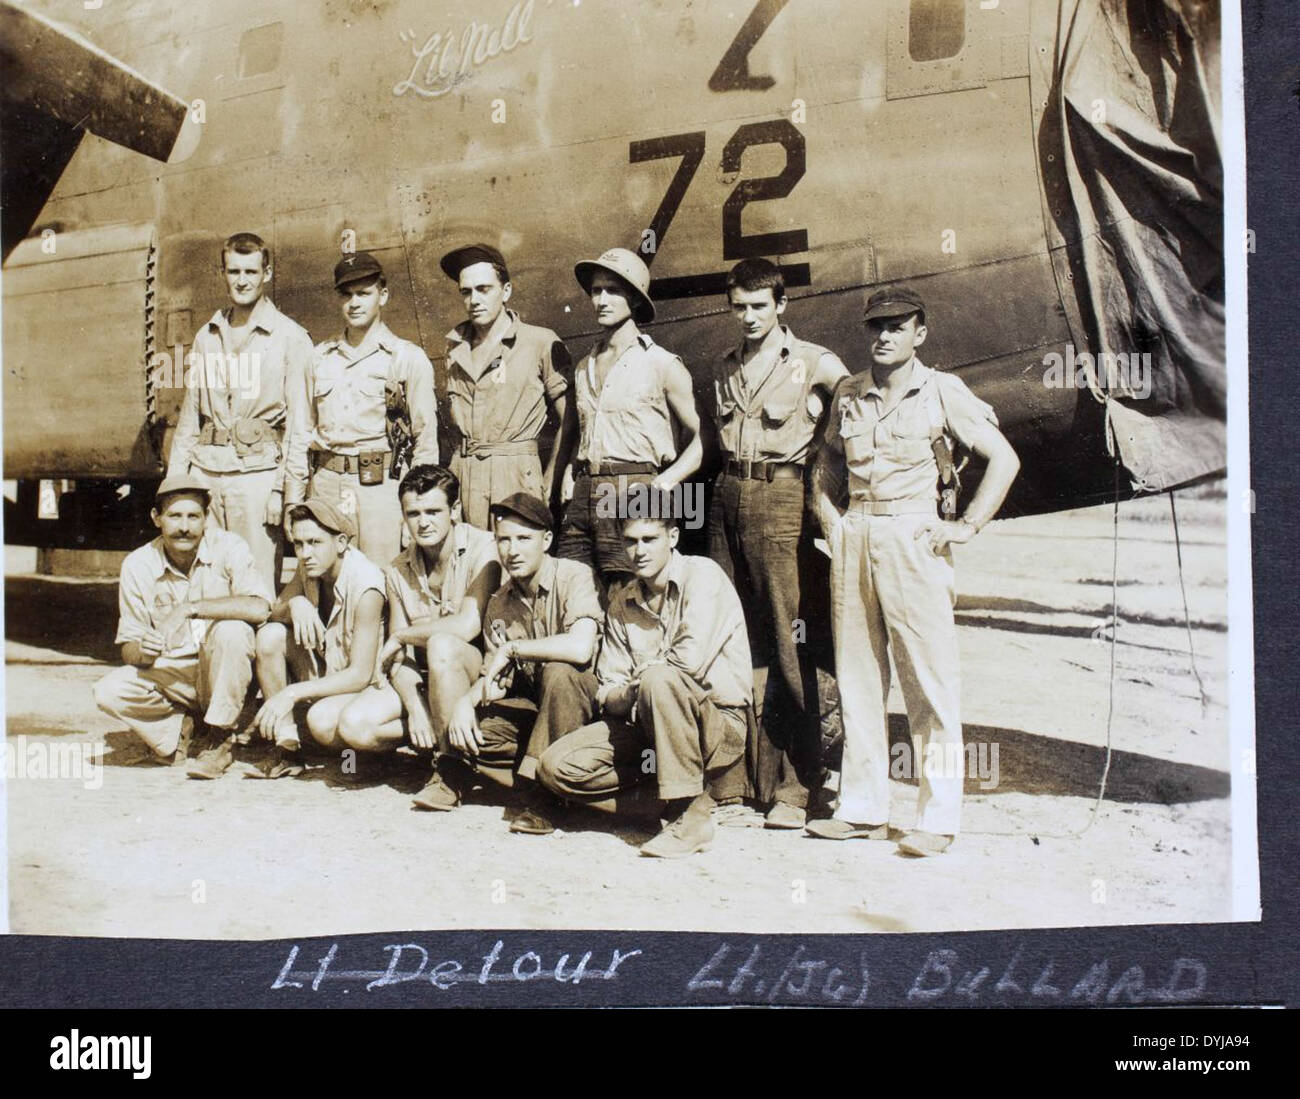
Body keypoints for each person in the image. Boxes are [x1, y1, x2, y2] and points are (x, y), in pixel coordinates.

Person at [808, 287, 1020, 856]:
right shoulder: (850, 393)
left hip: (913, 537)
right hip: (857, 534)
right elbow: (825, 461)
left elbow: (1004, 458)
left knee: (930, 684)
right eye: (876, 326)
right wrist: (830, 518)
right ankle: (862, 810)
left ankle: (939, 819)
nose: (885, 335)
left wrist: (967, 526)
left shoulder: (943, 391)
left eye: (898, 327)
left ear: (919, 333)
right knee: (857, 679)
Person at [702, 258, 849, 830]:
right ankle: (736, 781)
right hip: (727, 497)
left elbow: (853, 413)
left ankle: (799, 787)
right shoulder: (724, 365)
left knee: (790, 645)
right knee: (734, 639)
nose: (748, 317)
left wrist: (824, 487)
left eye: (759, 306)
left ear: (781, 306)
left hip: (782, 498)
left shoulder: (815, 363)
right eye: (738, 306)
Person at [537, 497, 752, 858]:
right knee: (555, 767)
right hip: (645, 727)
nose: (638, 551)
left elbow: (687, 664)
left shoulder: (704, 576)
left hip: (715, 725)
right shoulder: (623, 602)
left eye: (649, 539)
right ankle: (672, 802)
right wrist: (629, 692)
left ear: (673, 536)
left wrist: (642, 682)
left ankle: (689, 816)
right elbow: (608, 691)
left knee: (660, 679)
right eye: (630, 541)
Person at [442, 492, 602, 834]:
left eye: (523, 539)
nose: (512, 551)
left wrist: (516, 648)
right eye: (503, 540)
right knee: (472, 735)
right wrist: (464, 703)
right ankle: (547, 768)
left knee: (560, 673)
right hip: (539, 715)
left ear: (547, 540)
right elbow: (495, 680)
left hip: (587, 709)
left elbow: (581, 649)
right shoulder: (500, 601)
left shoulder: (574, 575)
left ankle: (546, 798)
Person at [92, 475, 272, 776]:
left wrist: (190, 609)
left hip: (227, 670)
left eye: (193, 516)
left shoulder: (230, 547)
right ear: (156, 518)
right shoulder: (138, 564)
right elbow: (129, 647)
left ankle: (220, 739)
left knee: (232, 630)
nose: (184, 526)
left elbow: (260, 607)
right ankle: (179, 731)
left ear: (206, 520)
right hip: (177, 675)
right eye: (175, 516)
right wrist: (143, 651)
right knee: (109, 690)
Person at [167, 232, 313, 589]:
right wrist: (175, 485)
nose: (242, 280)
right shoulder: (207, 336)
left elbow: (299, 427)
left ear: (267, 273)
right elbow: (190, 418)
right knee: (205, 581)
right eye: (234, 271)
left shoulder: (291, 337)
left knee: (255, 584)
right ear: (223, 273)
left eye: (251, 271)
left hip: (258, 479)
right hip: (206, 475)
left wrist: (287, 493)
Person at [554, 247, 702, 587]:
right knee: (572, 590)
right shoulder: (583, 366)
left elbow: (702, 439)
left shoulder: (662, 364)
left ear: (634, 300)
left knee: (627, 593)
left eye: (613, 290)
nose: (601, 300)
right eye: (596, 290)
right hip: (584, 493)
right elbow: (579, 432)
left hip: (633, 487)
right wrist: (568, 476)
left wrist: (663, 483)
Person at [289, 251, 439, 565]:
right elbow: (300, 433)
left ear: (382, 296)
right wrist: (294, 499)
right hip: (327, 485)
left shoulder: (406, 358)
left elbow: (425, 443)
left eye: (364, 294)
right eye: (346, 295)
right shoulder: (318, 359)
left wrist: (417, 509)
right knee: (330, 581)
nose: (354, 303)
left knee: (383, 578)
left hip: (381, 487)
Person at [370, 465, 501, 810]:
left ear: (455, 511)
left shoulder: (484, 548)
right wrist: (415, 708)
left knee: (443, 643)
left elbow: (468, 625)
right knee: (353, 728)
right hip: (429, 682)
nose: (423, 522)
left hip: (483, 675)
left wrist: (403, 634)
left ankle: (450, 773)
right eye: (413, 513)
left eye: (433, 511)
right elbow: (400, 656)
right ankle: (430, 742)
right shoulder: (398, 568)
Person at [250, 499, 388, 779]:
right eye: (299, 544)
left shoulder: (366, 584)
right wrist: (297, 602)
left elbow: (361, 674)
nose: (304, 553)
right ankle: (287, 746)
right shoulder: (310, 568)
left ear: (340, 543)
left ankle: (369, 755)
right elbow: (274, 612)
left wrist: (291, 693)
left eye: (314, 542)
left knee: (322, 722)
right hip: (329, 674)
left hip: (367, 687)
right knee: (270, 636)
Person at [439, 243, 573, 527]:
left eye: (484, 289)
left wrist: (552, 476)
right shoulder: (455, 349)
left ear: (506, 291)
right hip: (464, 476)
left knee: (516, 563)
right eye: (466, 291)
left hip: (515, 476)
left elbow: (570, 419)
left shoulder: (539, 342)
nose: (474, 299)